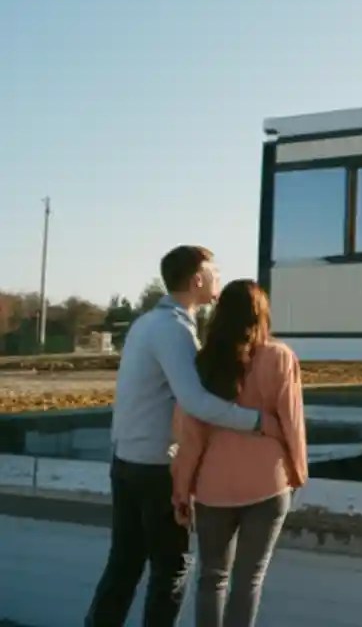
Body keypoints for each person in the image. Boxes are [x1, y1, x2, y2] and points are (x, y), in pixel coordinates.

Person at [85, 246, 281, 627]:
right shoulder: (172, 329)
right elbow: (196, 402)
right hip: (155, 467)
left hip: (126, 459)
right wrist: (258, 421)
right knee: (171, 570)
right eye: (215, 271)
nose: (219, 279)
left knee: (124, 565)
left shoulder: (146, 323)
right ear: (197, 279)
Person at [170, 279, 307, 627]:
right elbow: (292, 422)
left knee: (211, 577)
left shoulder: (203, 364)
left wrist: (181, 490)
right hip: (268, 483)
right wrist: (297, 472)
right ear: (261, 314)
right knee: (249, 580)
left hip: (213, 489)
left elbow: (190, 437)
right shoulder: (280, 357)